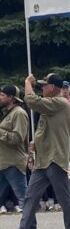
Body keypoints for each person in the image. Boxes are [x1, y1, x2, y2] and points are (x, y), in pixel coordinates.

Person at [3, 73, 70, 229]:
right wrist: (35, 143)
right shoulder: (51, 106)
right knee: (30, 196)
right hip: (43, 160)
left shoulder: (60, 103)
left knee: (64, 198)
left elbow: (32, 101)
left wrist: (27, 83)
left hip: (56, 158)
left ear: (53, 87)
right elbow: (44, 128)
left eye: (45, 85)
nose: (42, 87)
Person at [0, 86, 29, 220]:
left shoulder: (19, 113)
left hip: (13, 164)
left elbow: (18, 138)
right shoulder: (8, 113)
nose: (0, 97)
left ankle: (30, 227)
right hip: (3, 162)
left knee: (23, 198)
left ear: (11, 97)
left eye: (2, 95)